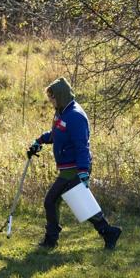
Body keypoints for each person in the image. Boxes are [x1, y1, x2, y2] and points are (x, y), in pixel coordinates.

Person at [27, 77, 122, 250]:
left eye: (52, 97)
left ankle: (51, 240)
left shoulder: (76, 115)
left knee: (51, 200)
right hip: (68, 168)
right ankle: (109, 232)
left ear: (61, 95)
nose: (50, 101)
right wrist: (39, 140)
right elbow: (57, 134)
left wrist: (83, 171)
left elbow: (82, 145)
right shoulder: (61, 111)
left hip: (75, 169)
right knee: (80, 203)